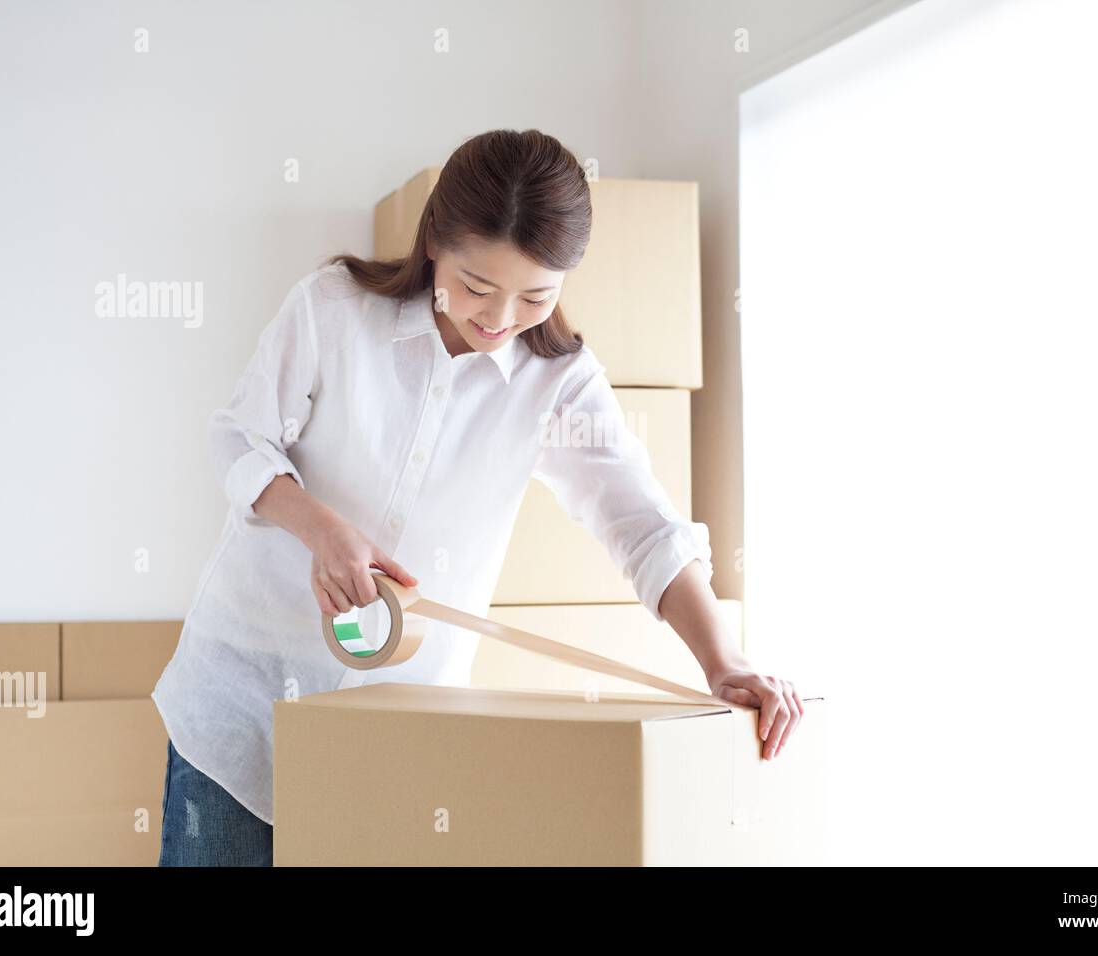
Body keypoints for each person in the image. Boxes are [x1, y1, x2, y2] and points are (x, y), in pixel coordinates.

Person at [151, 128, 802, 866]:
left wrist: (724, 662)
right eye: (476, 285)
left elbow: (644, 528)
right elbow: (239, 439)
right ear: (433, 241)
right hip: (243, 698)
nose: (497, 319)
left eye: (535, 296)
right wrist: (323, 530)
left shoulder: (558, 383)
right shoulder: (333, 311)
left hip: (395, 732)